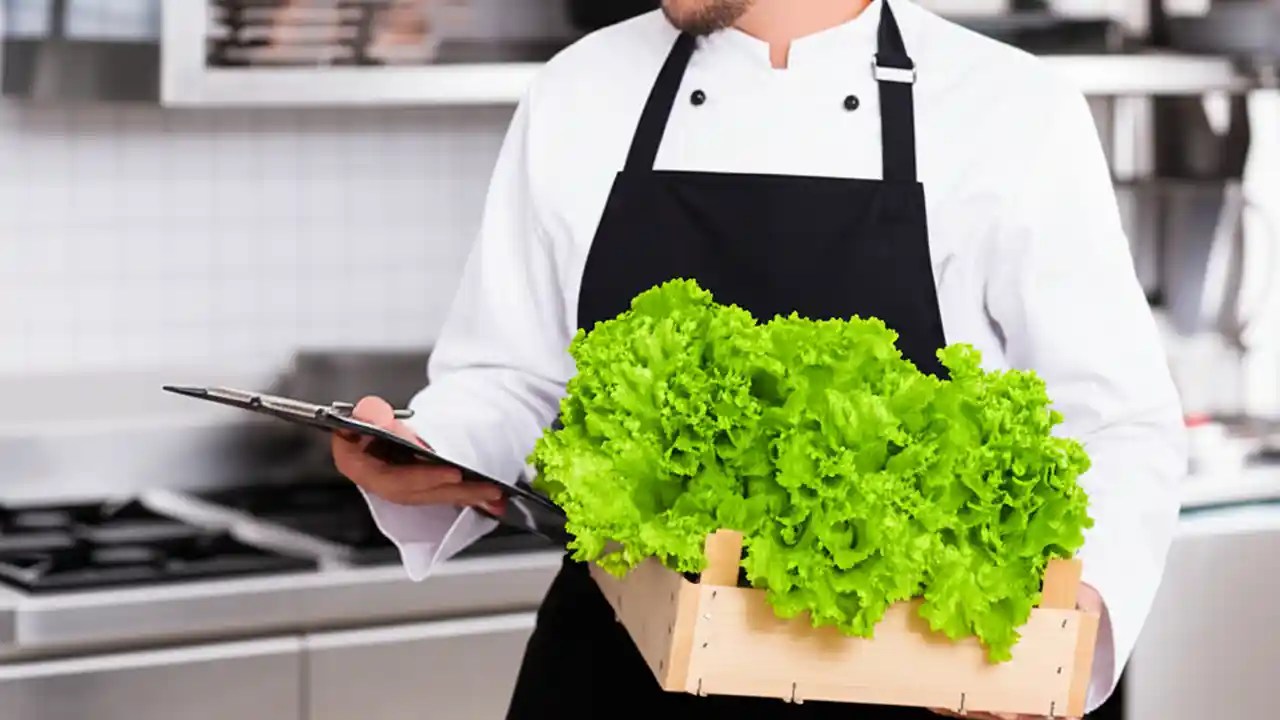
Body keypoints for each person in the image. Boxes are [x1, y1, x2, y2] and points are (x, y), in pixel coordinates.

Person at [332, 0, 1186, 718]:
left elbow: (1118, 425)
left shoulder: (1009, 110)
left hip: (909, 678)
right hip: (616, 671)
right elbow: (514, 379)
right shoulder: (579, 89)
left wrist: (1069, 622)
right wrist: (432, 448)